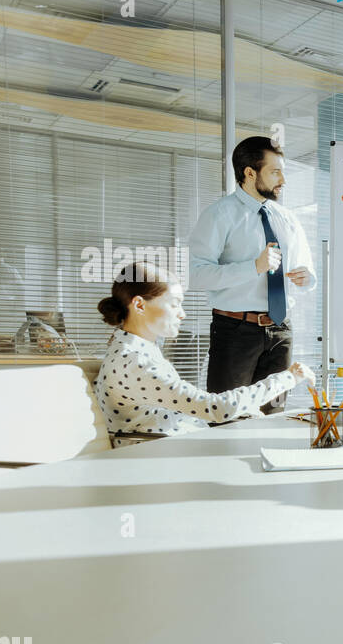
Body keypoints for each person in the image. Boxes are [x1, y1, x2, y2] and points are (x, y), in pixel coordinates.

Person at [94, 261, 315, 439]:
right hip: (158, 458)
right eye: (174, 304)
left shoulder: (136, 348)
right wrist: (289, 378)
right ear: (140, 305)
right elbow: (216, 409)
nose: (182, 314)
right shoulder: (133, 360)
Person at [188, 135, 316, 414]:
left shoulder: (287, 218)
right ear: (249, 173)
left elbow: (307, 269)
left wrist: (308, 278)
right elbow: (197, 275)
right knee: (226, 417)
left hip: (281, 330)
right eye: (275, 171)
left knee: (274, 417)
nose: (283, 179)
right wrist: (253, 267)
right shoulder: (219, 215)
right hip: (235, 332)